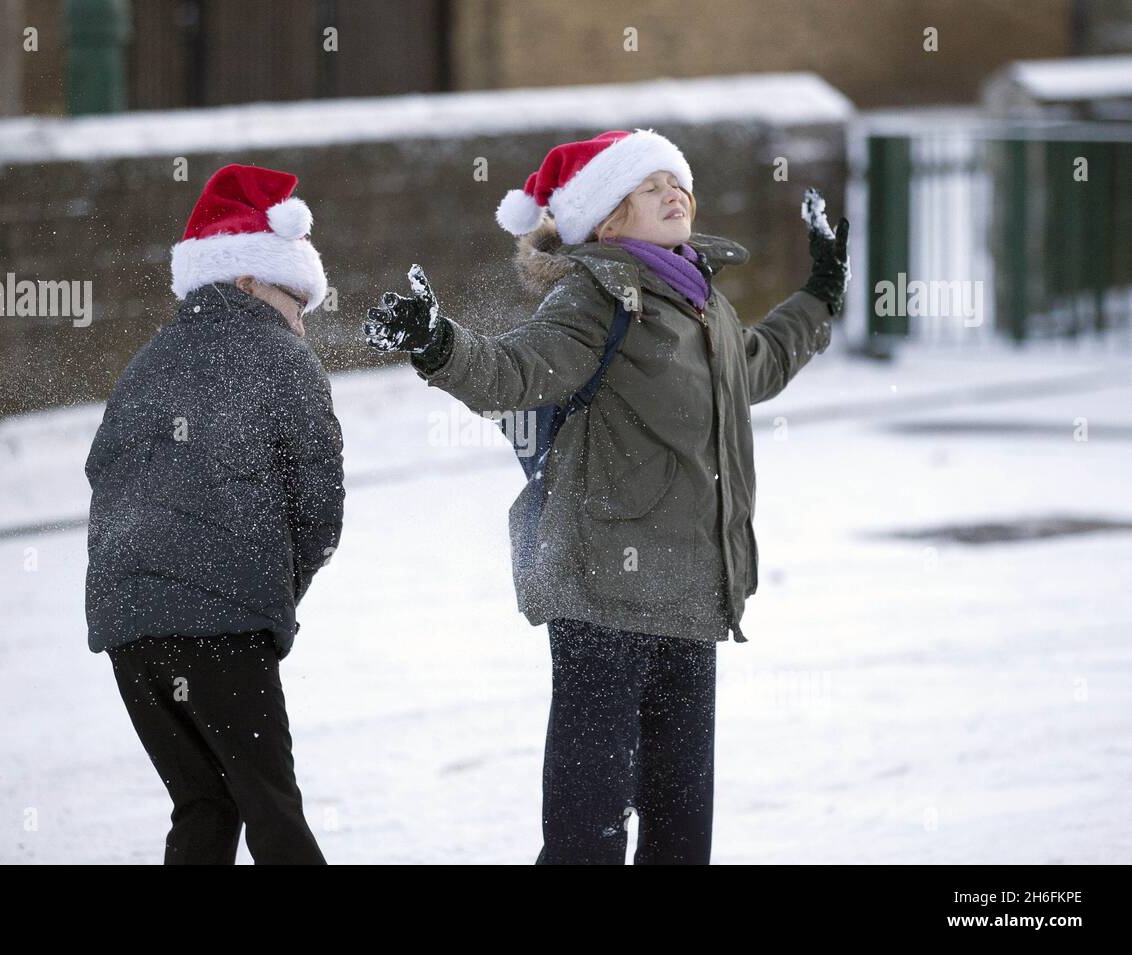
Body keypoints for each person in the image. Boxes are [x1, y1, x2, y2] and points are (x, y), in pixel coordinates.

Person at [362, 128, 849, 864]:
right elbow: (512, 372)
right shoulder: (595, 297)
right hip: (603, 602)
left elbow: (762, 362)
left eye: (677, 182)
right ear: (606, 222)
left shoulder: (702, 306)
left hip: (692, 599)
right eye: (649, 187)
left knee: (682, 838)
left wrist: (822, 292)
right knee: (587, 841)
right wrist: (437, 343)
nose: (673, 193)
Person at [85, 163, 344, 864]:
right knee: (271, 808)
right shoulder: (279, 356)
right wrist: (265, 598)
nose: (301, 319)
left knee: (205, 803)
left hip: (127, 627)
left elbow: (103, 474)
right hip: (220, 624)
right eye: (296, 299)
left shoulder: (144, 361)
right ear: (248, 280)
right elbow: (319, 505)